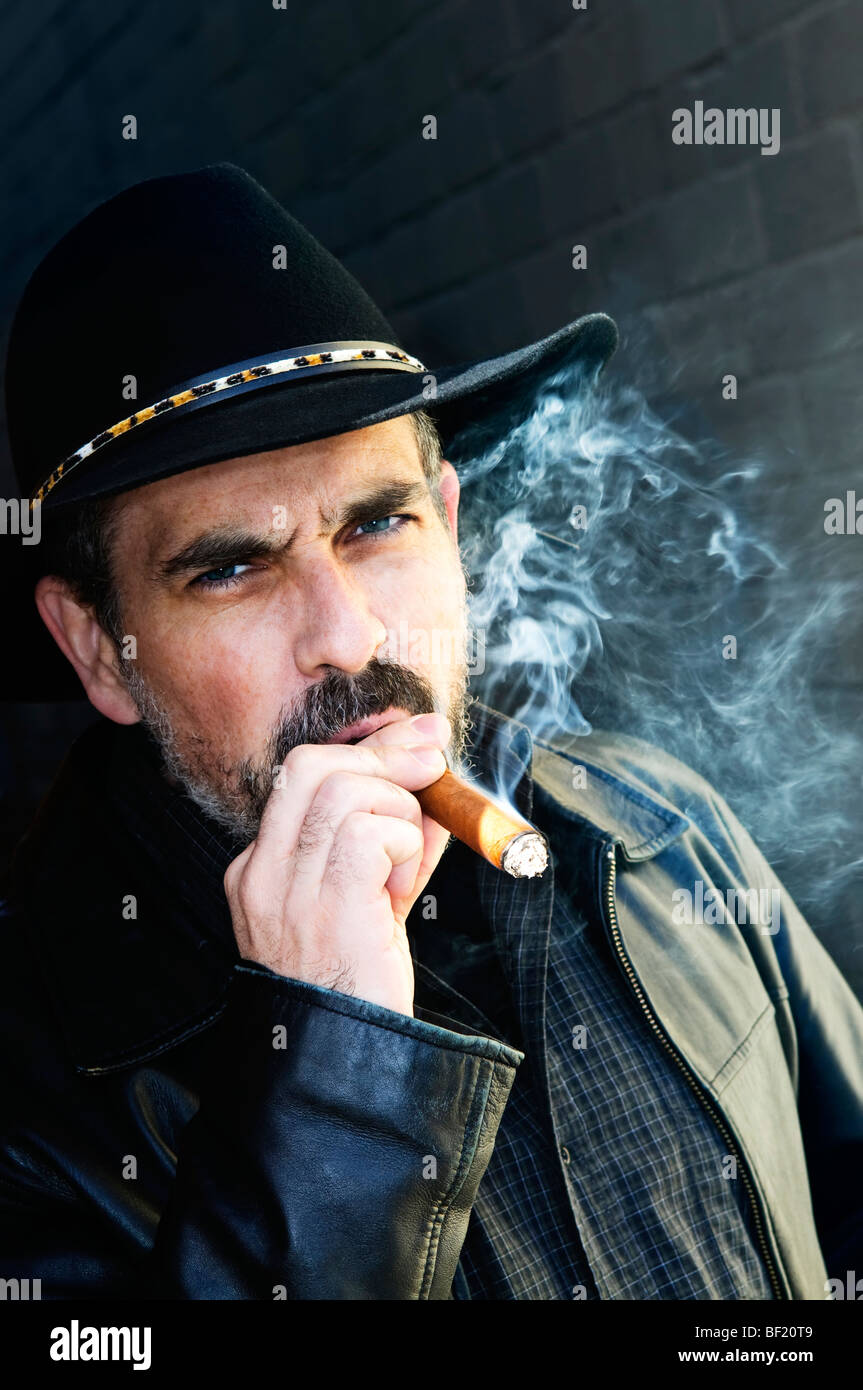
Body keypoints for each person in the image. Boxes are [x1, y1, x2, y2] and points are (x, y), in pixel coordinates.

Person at [0, 164, 860, 1301]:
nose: (347, 636)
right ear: (102, 649)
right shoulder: (29, 1108)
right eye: (230, 567)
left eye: (376, 523)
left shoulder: (654, 831)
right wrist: (324, 1064)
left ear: (447, 525)